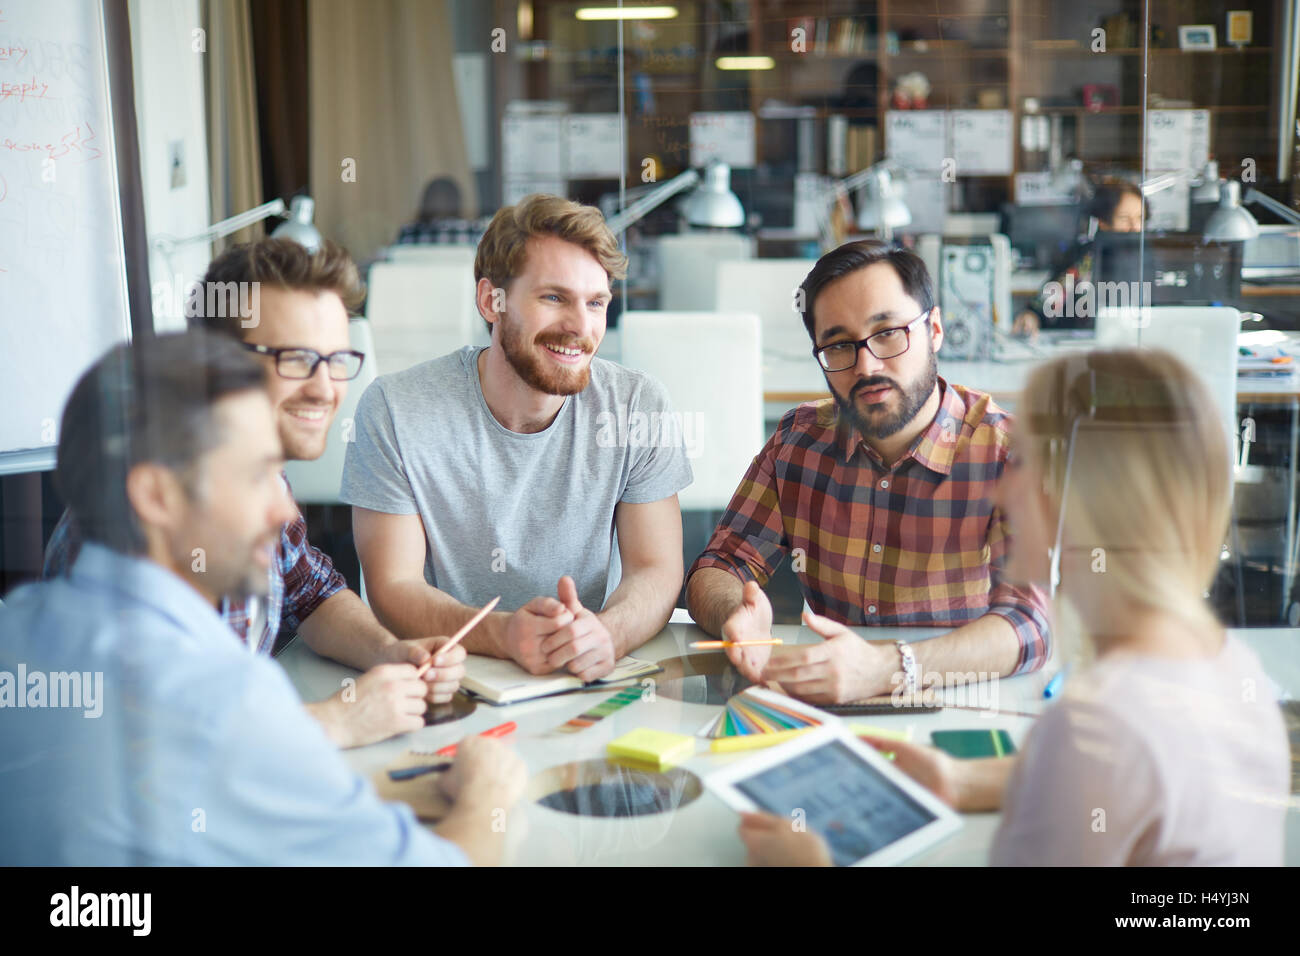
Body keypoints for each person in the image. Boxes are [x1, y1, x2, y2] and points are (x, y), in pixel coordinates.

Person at [738, 349, 1290, 866]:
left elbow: (1110, 763)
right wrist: (961, 781)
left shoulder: (1096, 727)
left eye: (1022, 462)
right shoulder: (1232, 668)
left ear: (1089, 495)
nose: (1000, 492)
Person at [2, 332, 526, 865]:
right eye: (254, 476)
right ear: (156, 496)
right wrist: (489, 792)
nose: (285, 514)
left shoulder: (14, 633)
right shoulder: (227, 701)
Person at [44, 238, 464, 749]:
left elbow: (311, 592)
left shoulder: (256, 476)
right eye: (298, 358)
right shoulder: (153, 510)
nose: (325, 386)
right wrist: (339, 720)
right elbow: (155, 736)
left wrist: (391, 651)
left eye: (337, 359)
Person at [344, 194, 692, 681]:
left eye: (596, 303)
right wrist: (502, 635)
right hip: (448, 677)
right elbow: (392, 586)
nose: (580, 327)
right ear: (492, 300)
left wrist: (608, 634)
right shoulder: (394, 409)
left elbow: (654, 570)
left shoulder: (636, 404)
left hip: (579, 678)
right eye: (554, 298)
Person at [686, 240, 1049, 704]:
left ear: (934, 329)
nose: (867, 366)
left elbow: (1030, 623)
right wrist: (736, 612)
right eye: (839, 346)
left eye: (888, 333)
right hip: (827, 704)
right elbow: (720, 564)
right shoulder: (799, 441)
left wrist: (888, 668)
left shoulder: (1005, 453)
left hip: (960, 703)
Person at [1012, 180, 1146, 336]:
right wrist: (1032, 316)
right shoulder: (1086, 257)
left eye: (1140, 218)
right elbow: (1050, 299)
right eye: (1124, 218)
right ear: (1103, 222)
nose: (1135, 227)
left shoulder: (1150, 255)